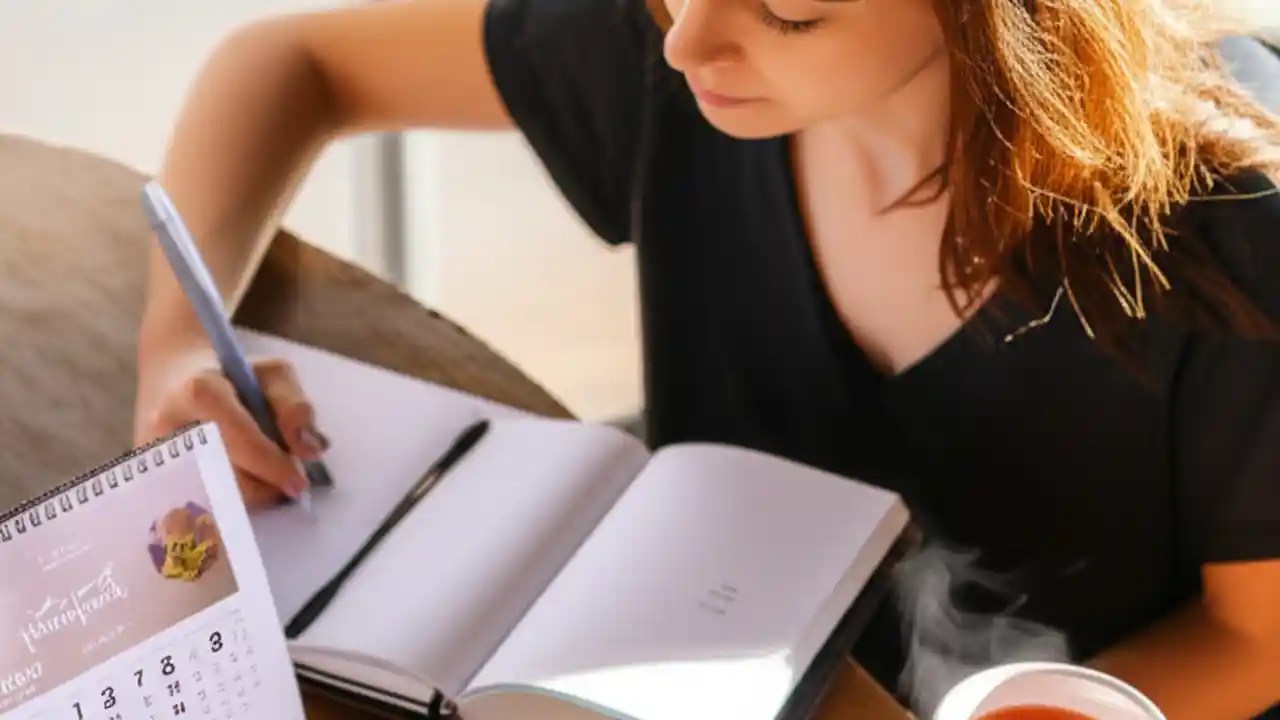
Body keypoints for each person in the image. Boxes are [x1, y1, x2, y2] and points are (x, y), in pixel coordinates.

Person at [131, 0, 1280, 716]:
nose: (686, 41)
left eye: (790, 13)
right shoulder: (671, 46)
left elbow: (1252, 638)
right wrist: (181, 345)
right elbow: (291, 60)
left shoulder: (1234, 217)